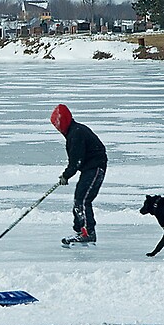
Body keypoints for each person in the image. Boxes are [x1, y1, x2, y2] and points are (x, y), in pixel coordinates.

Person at [50, 104, 107, 245]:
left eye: (58, 124)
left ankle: (88, 233)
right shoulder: (73, 132)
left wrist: (66, 175)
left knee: (83, 200)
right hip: (89, 168)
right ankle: (80, 230)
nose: (57, 128)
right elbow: (76, 160)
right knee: (79, 199)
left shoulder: (76, 133)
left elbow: (76, 160)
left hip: (95, 168)